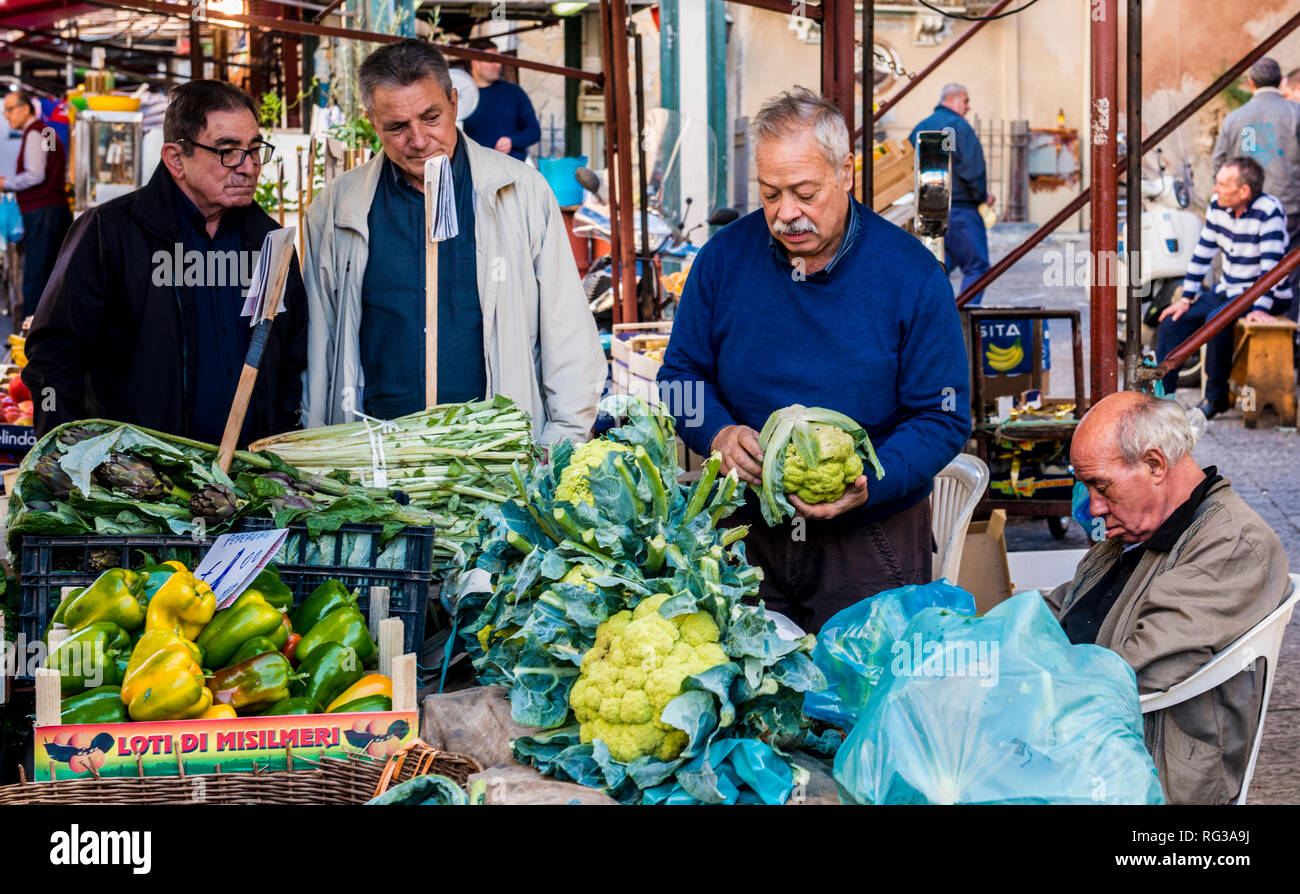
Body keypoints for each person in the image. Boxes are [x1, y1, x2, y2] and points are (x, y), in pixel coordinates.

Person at [657, 86, 971, 633]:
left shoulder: (912, 275)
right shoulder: (722, 260)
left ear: (845, 172)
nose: (786, 214)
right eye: (770, 193)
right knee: (745, 698)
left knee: (862, 703)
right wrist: (716, 434)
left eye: (804, 192)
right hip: (743, 533)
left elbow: (941, 416)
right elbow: (680, 376)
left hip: (871, 543)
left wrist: (873, 479)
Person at [302, 39, 604, 445]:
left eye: (431, 117)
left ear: (454, 102)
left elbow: (566, 328)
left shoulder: (521, 191)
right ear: (372, 121)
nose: (420, 140)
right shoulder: (338, 208)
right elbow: (318, 344)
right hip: (375, 458)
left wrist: (562, 440)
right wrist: (319, 447)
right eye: (397, 127)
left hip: (498, 461)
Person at [24, 80, 307, 446]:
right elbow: (54, 356)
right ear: (176, 159)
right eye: (228, 151)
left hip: (248, 477)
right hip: (141, 478)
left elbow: (290, 360)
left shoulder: (271, 242)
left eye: (254, 149)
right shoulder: (109, 233)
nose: (249, 167)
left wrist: (279, 445)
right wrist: (70, 456)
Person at [1045, 391, 1291, 805]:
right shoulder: (1140, 525)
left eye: (1101, 485)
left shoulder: (1233, 543)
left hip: (1138, 767)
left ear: (1155, 464)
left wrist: (1026, 683)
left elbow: (1136, 669)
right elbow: (1065, 608)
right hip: (1083, 737)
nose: (1093, 506)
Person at [1154, 157, 1291, 418]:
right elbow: (1202, 253)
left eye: (1222, 184)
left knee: (1216, 320)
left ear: (1244, 191)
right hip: (1227, 289)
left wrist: (1261, 308)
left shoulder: (1269, 211)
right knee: (1171, 322)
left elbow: (1271, 270)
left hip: (1263, 294)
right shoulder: (1218, 206)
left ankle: (1216, 398)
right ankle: (1163, 399)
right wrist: (1186, 298)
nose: (1215, 190)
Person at [1212, 58, 1300, 324]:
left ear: (1250, 83)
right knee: (1288, 276)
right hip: (1289, 208)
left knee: (1243, 273)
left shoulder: (1234, 118)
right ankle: (1288, 341)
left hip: (1246, 211)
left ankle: (1241, 341)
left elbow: (1219, 163)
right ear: (1280, 81)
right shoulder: (1296, 113)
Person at [908, 83, 994, 304]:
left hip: (926, 210)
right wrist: (982, 196)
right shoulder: (957, 127)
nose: (968, 107)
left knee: (938, 267)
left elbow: (910, 168)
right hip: (960, 209)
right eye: (965, 101)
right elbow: (970, 168)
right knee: (977, 267)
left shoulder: (920, 128)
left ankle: (933, 319)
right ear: (953, 100)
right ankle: (962, 317)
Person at [0, 89, 72, 319]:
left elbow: (36, 175)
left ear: (25, 108)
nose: (6, 115)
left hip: (43, 212)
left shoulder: (34, 133)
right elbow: (51, 165)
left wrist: (6, 182)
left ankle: (31, 334)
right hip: (56, 210)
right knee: (51, 275)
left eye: (10, 110)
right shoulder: (47, 131)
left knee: (36, 276)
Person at [460, 39, 541, 163]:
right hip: (475, 170)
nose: (499, 65)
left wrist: (512, 141)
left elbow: (534, 132)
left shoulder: (514, 92)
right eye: (492, 60)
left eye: (499, 60)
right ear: (476, 62)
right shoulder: (461, 96)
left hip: (513, 169)